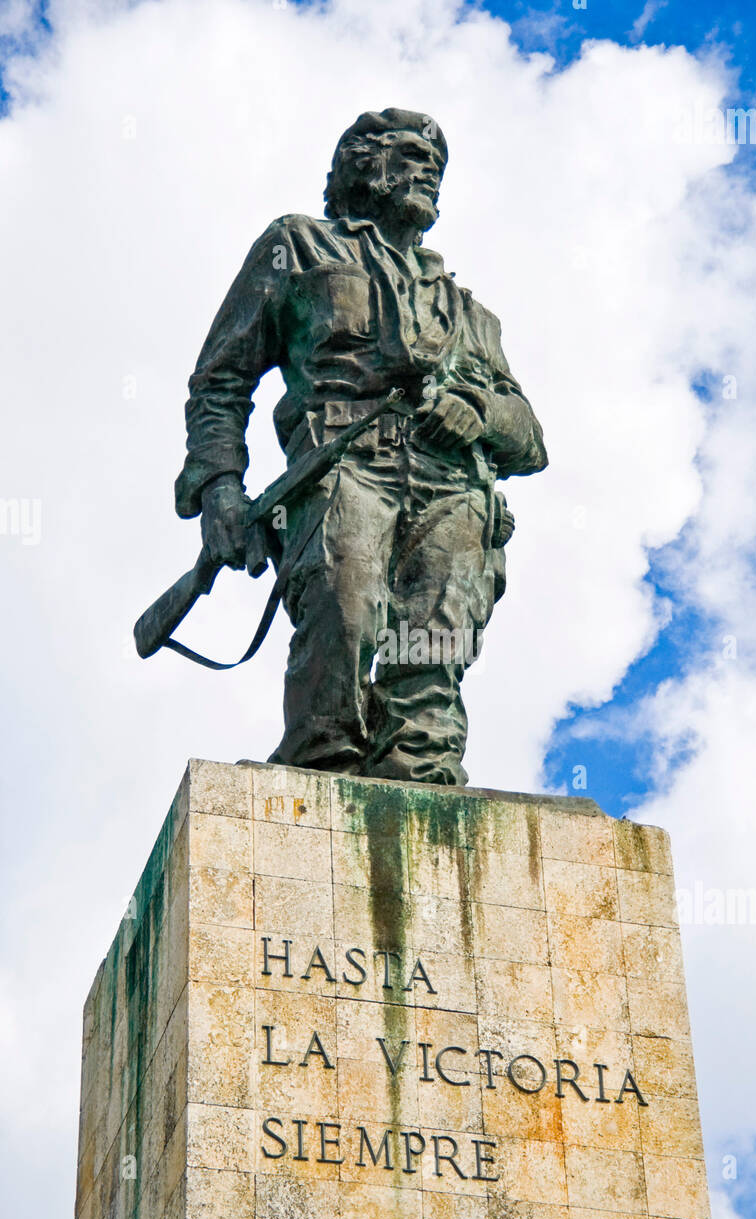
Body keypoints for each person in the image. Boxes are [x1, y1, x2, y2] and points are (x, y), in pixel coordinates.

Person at [174, 108, 547, 785]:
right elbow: (220, 378)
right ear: (358, 166)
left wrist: (480, 411)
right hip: (343, 468)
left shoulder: (467, 313)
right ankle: (317, 786)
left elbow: (529, 438)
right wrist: (219, 487)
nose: (427, 168)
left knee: (433, 661)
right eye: (407, 152)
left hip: (453, 488)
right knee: (343, 621)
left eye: (436, 161)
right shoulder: (301, 246)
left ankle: (423, 798)